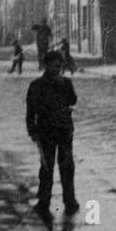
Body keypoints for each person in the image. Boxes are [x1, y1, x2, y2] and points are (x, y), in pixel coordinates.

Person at [26, 49, 79, 219]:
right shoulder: (36, 85)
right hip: (45, 131)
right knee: (46, 168)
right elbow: (30, 111)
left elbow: (73, 100)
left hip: (64, 130)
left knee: (67, 167)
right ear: (46, 66)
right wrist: (32, 130)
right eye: (54, 66)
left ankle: (69, 201)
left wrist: (62, 83)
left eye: (59, 66)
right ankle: (44, 201)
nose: (57, 69)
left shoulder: (66, 83)